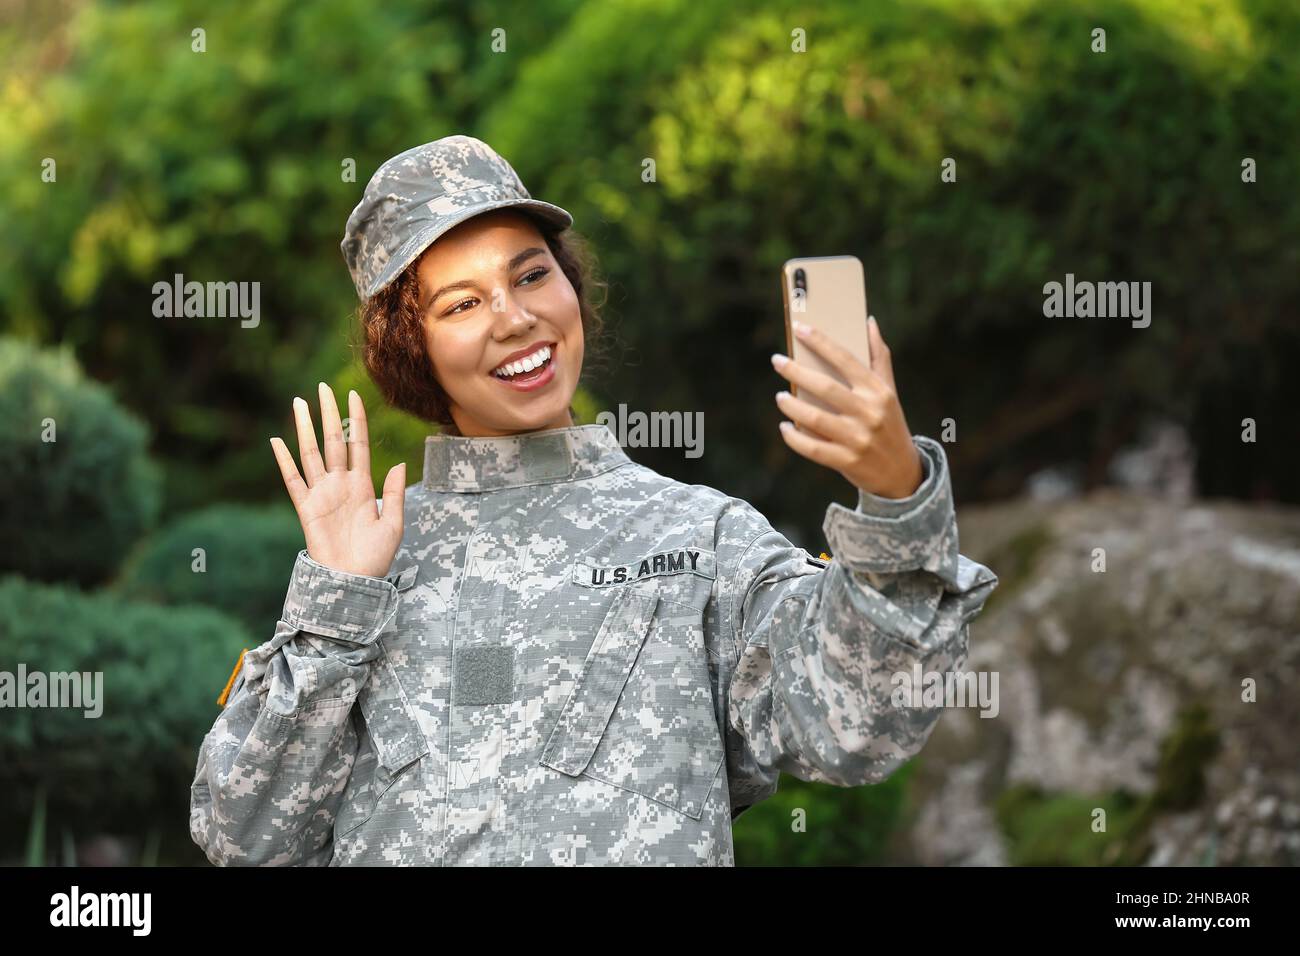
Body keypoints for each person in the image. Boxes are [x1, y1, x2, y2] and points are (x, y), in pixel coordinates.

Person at [188, 134, 999, 866]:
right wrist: (333, 608)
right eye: (462, 304)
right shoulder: (367, 571)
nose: (515, 318)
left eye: (532, 274)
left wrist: (895, 495)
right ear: (413, 348)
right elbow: (242, 834)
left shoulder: (700, 536)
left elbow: (860, 726)